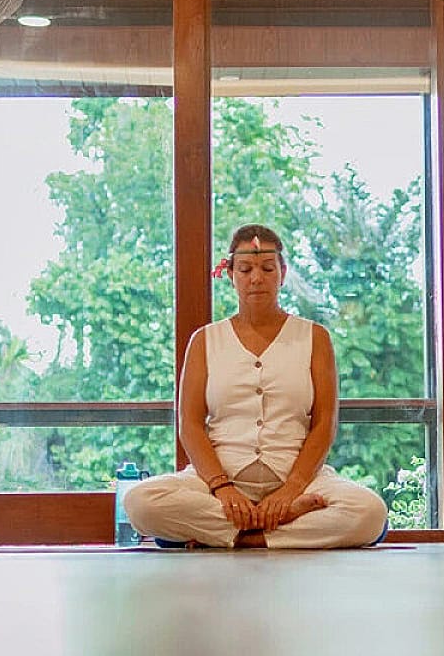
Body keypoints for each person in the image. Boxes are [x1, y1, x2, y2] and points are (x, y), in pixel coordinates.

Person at [124, 224, 388, 548]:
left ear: (283, 272)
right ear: (230, 273)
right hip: (217, 483)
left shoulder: (315, 337)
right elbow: (190, 425)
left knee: (370, 512)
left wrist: (292, 490)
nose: (256, 278)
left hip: (297, 479)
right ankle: (275, 528)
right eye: (246, 269)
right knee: (140, 502)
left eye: (267, 268)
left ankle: (243, 537)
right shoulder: (205, 340)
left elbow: (324, 423)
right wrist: (223, 489)